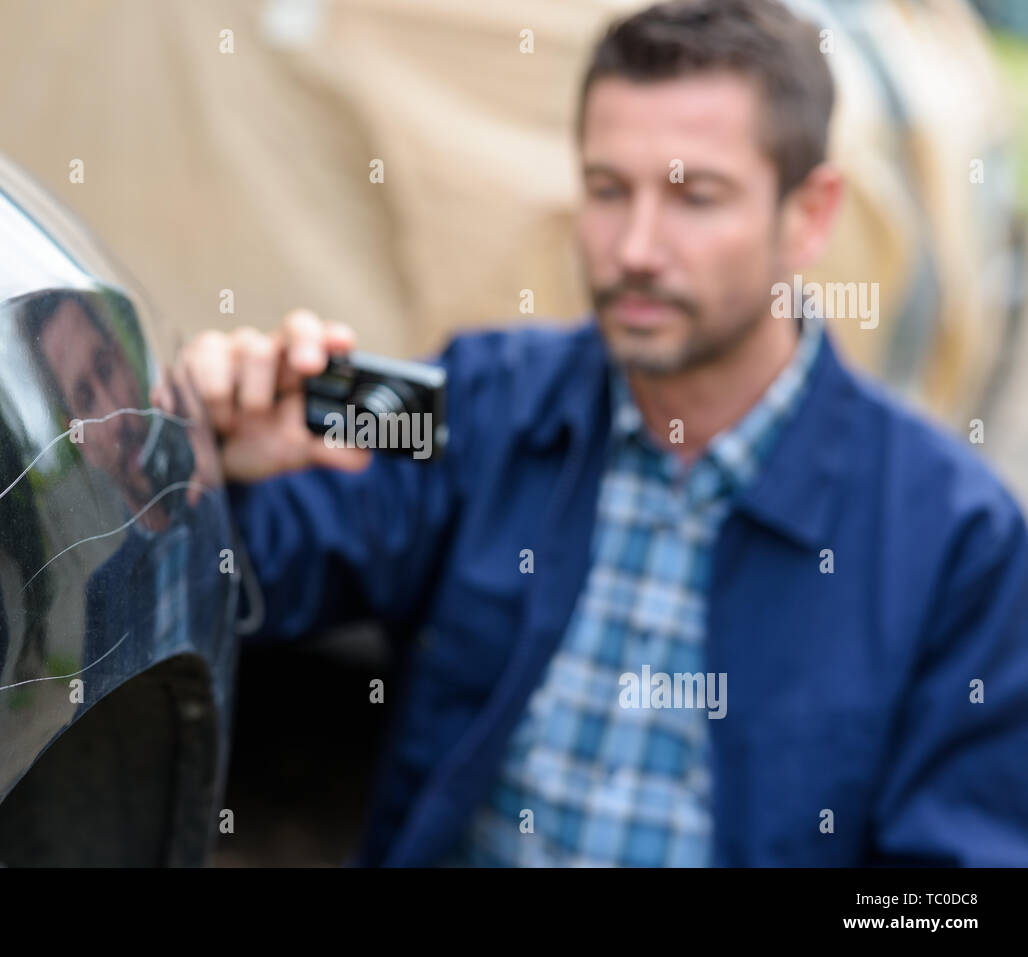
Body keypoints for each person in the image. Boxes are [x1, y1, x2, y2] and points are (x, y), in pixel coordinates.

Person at [168, 0, 1028, 866]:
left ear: (809, 215)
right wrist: (209, 470)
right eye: (608, 190)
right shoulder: (478, 394)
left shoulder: (959, 540)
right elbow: (248, 569)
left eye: (695, 196)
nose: (637, 247)